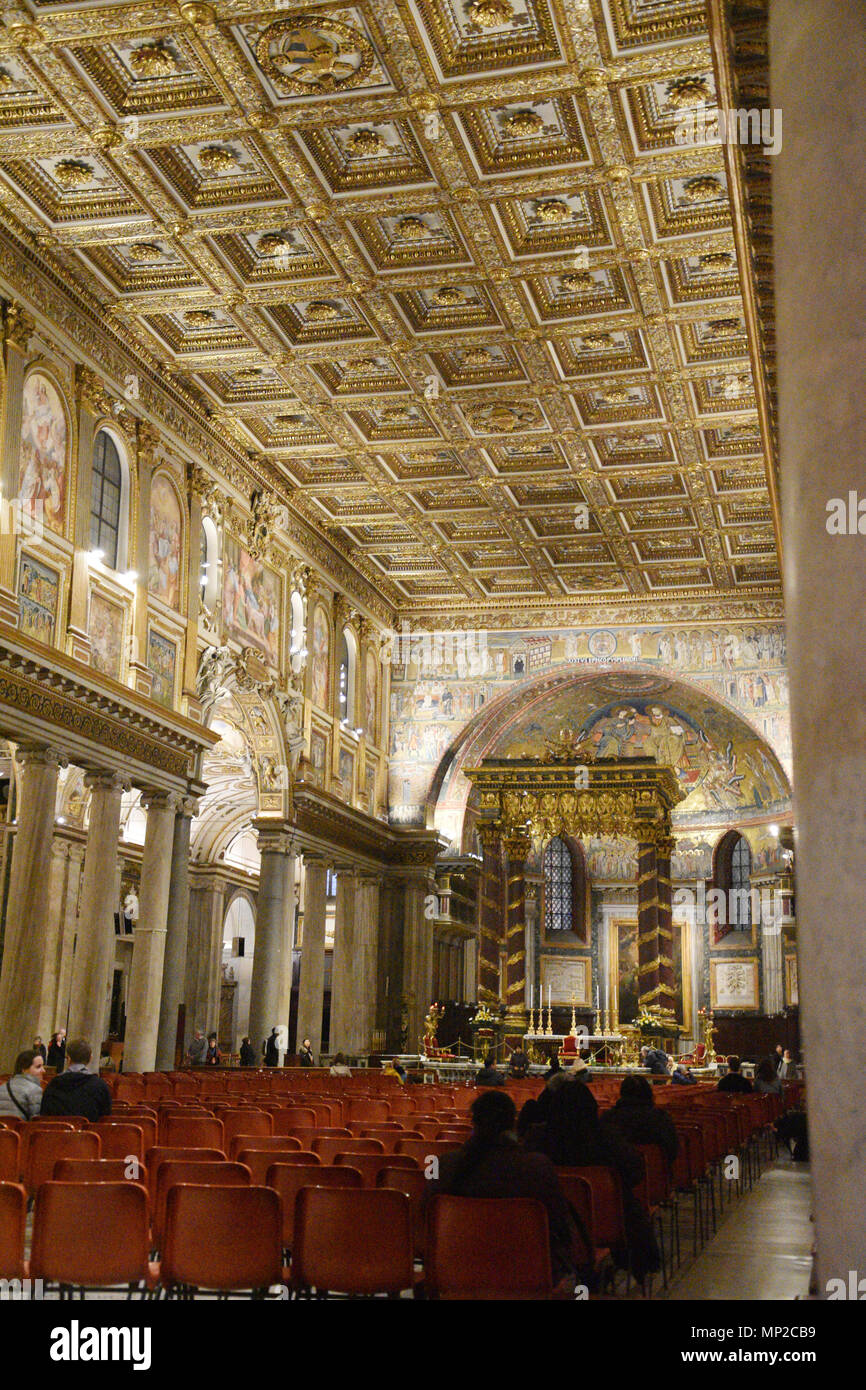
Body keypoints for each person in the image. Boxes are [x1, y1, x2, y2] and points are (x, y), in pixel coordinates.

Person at [524, 1076, 659, 1281]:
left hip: (549, 1231)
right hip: (606, 1221)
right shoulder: (605, 1137)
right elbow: (635, 1171)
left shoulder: (536, 1139)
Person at [434, 1090, 577, 1284]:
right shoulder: (537, 1167)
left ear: (473, 1123)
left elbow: (428, 1218)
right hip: (526, 1275)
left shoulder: (445, 1164)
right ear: (513, 1123)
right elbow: (559, 1224)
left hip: (455, 1274)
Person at [601, 1075, 678, 1165]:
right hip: (656, 1170)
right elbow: (672, 1149)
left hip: (619, 1173)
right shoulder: (659, 1117)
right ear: (649, 1093)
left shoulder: (609, 1117)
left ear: (622, 1093)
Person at [40, 1039, 111, 1121]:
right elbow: (105, 1118)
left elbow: (44, 1114)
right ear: (90, 1059)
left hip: (58, 1132)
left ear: (68, 1059)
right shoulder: (100, 1086)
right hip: (88, 1132)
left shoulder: (53, 1084)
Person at [0, 1049, 44, 1119]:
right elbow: (35, 1121)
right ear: (24, 1069)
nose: (43, 1070)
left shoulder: (2, 1087)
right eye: (38, 1067)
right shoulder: (35, 1090)